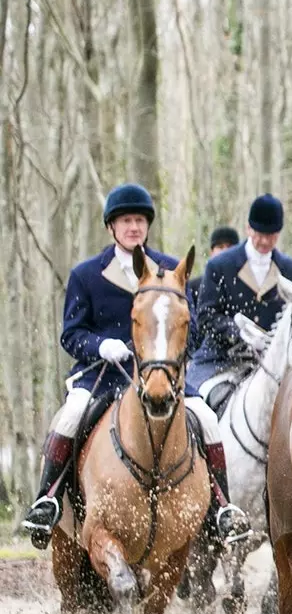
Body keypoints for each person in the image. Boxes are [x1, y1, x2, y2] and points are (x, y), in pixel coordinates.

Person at [18, 184, 249, 548]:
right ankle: (46, 500)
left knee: (206, 416)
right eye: (126, 221)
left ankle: (222, 508)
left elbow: (188, 325)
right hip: (103, 375)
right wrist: (101, 345)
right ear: (112, 227)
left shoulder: (172, 269)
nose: (133, 227)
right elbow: (71, 334)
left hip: (161, 376)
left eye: (139, 220)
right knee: (71, 414)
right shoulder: (87, 275)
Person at [187, 195, 292, 406]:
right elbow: (205, 317)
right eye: (260, 234)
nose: (266, 241)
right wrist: (239, 333)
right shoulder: (220, 265)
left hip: (272, 362)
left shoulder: (290, 270)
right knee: (199, 408)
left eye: (272, 235)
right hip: (221, 359)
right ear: (248, 229)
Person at [190, 226, 240, 309]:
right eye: (220, 247)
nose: (225, 251)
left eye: (229, 246)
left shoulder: (245, 284)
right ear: (211, 252)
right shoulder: (194, 286)